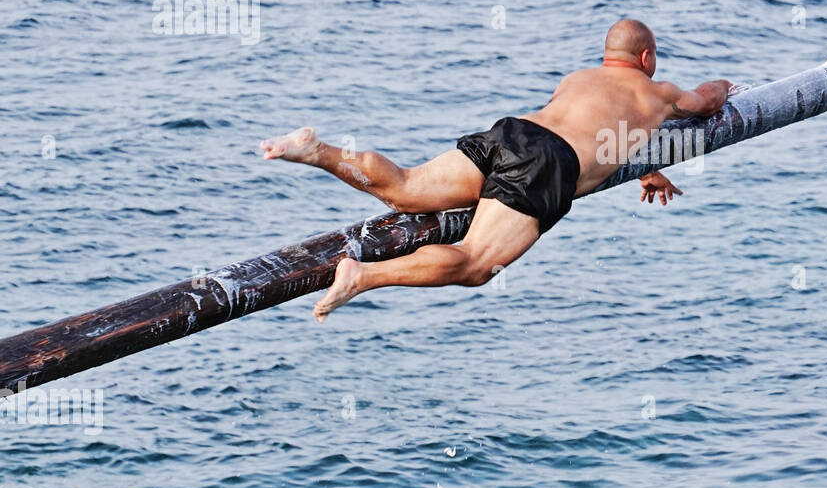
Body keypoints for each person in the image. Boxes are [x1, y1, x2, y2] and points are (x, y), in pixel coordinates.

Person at [260, 20, 732, 321]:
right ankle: (361, 276)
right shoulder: (658, 91)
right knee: (474, 264)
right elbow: (706, 102)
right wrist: (727, 84)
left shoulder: (578, 80)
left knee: (402, 188)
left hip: (514, 133)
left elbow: (601, 131)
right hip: (548, 164)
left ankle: (318, 151)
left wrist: (643, 169)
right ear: (646, 59)